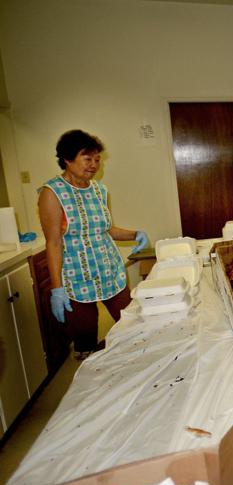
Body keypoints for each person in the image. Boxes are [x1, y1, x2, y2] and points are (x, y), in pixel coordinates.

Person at [38, 130, 149, 360]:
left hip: (109, 270)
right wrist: (57, 289)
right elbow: (54, 242)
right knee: (86, 335)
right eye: (87, 158)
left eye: (97, 159)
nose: (94, 165)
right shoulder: (52, 194)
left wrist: (136, 233)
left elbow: (105, 228)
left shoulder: (99, 190)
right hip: (76, 279)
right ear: (67, 159)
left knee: (131, 323)